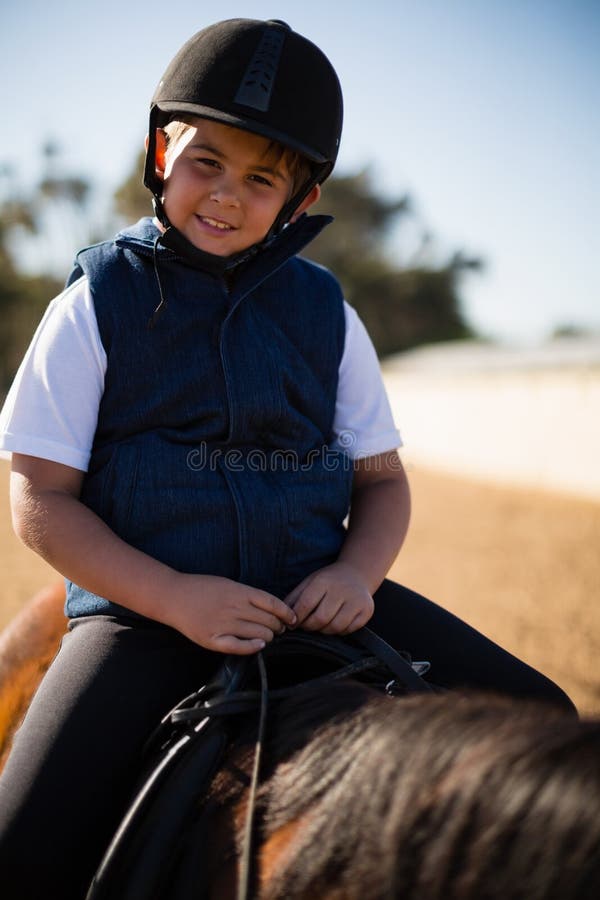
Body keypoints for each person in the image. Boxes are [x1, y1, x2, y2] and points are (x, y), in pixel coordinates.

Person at [0, 18, 575, 899]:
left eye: (260, 178)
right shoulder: (95, 304)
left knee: (548, 724)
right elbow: (39, 498)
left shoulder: (328, 313)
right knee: (23, 843)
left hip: (319, 597)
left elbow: (381, 482)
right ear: (161, 152)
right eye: (206, 162)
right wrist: (173, 597)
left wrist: (356, 574)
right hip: (144, 614)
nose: (226, 195)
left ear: (298, 202)